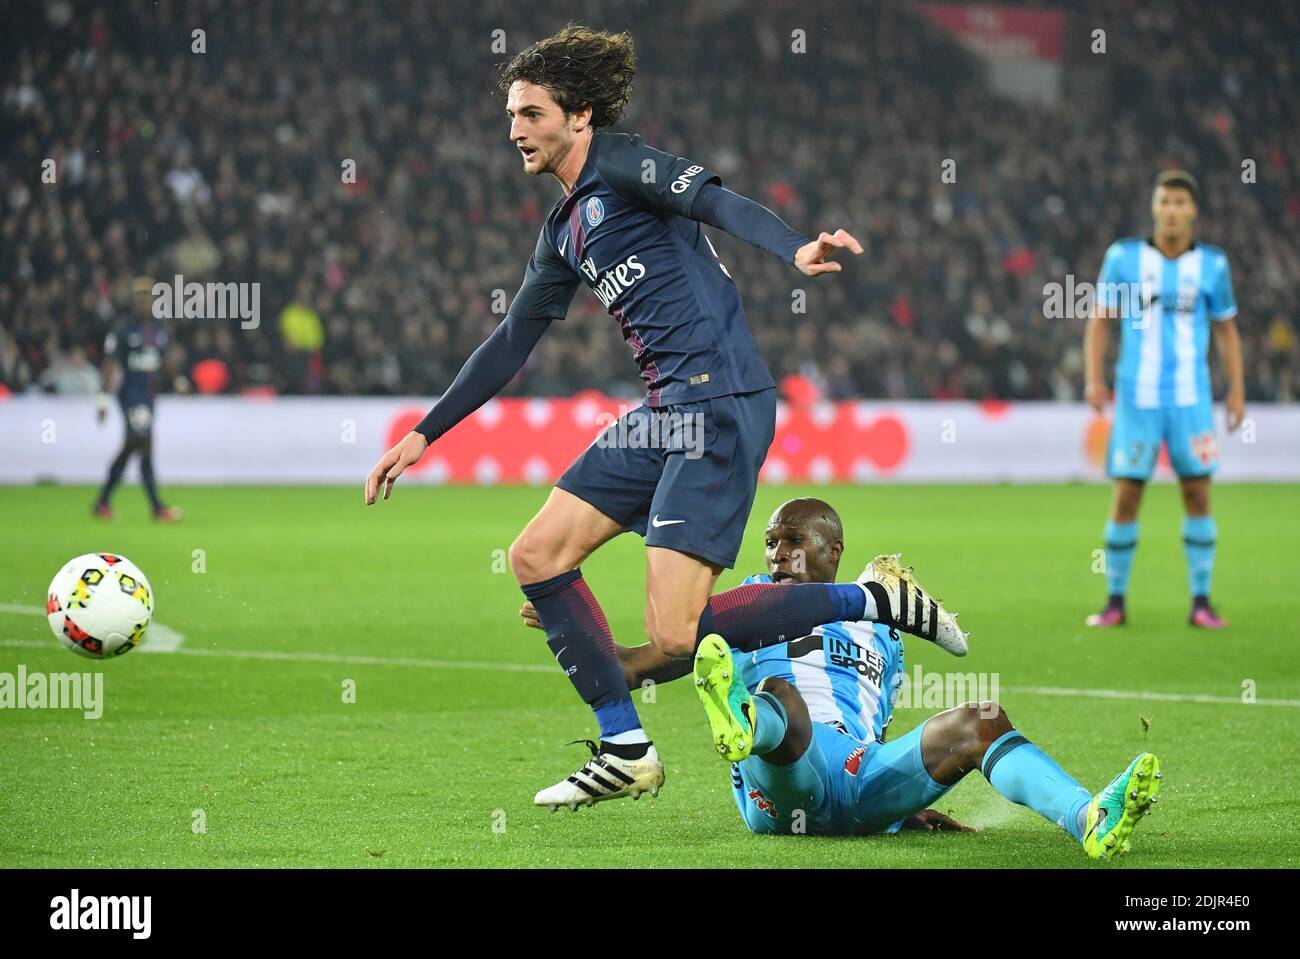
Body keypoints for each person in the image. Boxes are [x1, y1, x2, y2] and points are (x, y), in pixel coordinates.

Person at [366, 25, 964, 809]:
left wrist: (791, 249)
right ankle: (625, 746)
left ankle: (878, 600)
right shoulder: (563, 229)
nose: (515, 129)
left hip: (720, 404)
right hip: (665, 412)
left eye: (532, 113)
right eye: (511, 115)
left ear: (579, 115)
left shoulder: (622, 161)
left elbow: (714, 200)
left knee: (678, 636)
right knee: (537, 554)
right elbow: (513, 336)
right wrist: (423, 431)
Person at [603, 498, 1162, 860]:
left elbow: (876, 727)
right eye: (771, 542)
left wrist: (907, 806)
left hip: (857, 782)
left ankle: (1088, 817)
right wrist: (572, 624)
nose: (778, 555)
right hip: (779, 785)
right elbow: (636, 666)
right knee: (783, 698)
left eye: (793, 541)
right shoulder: (753, 599)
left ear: (833, 550)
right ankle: (741, 720)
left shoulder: (884, 634)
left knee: (980, 721)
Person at [1083, 170, 1244, 628]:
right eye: (1164, 202)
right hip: (1137, 397)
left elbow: (1227, 331)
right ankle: (1115, 602)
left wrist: (1237, 391)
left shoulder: (1212, 265)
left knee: (1197, 492)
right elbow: (1100, 319)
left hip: (1192, 399)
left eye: (1180, 203)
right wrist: (1094, 379)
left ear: (1193, 211)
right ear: (1154, 208)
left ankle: (1201, 603)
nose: (1171, 210)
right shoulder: (1124, 258)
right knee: (1127, 495)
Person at [93, 277, 183, 523]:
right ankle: (157, 507)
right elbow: (109, 365)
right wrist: (102, 399)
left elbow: (165, 360)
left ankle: (102, 502)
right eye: (139, 295)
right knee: (145, 445)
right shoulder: (122, 329)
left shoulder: (158, 329)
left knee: (133, 446)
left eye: (148, 295)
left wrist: (179, 381)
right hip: (130, 396)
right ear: (134, 300)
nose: (144, 299)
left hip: (150, 397)